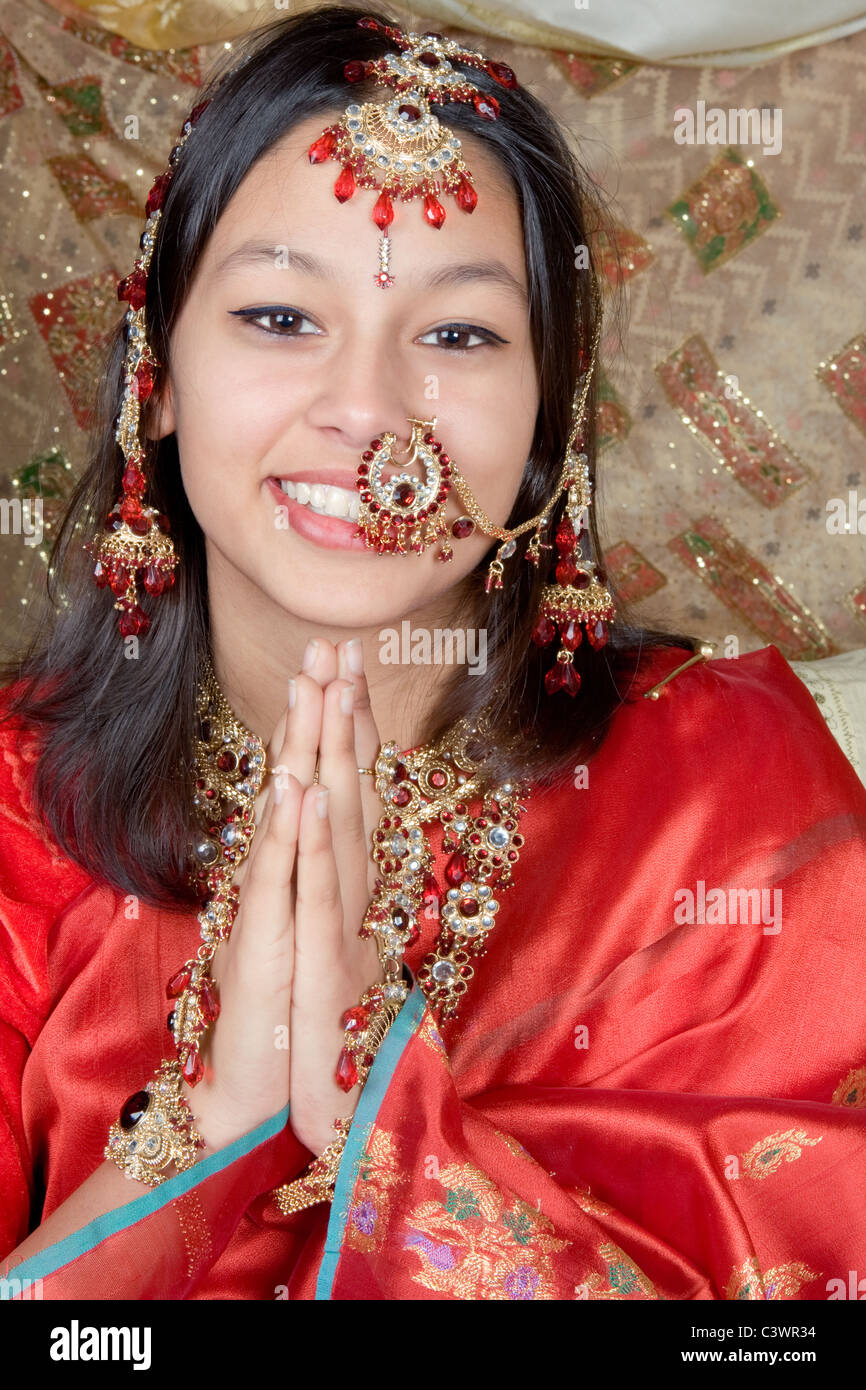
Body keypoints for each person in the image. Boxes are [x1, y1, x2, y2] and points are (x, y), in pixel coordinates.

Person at [1, 5, 864, 1302]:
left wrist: (374, 1115)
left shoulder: (725, 794)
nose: (366, 409)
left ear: (545, 419)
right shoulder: (15, 812)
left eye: (458, 336)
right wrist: (218, 1116)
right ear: (158, 376)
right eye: (282, 316)